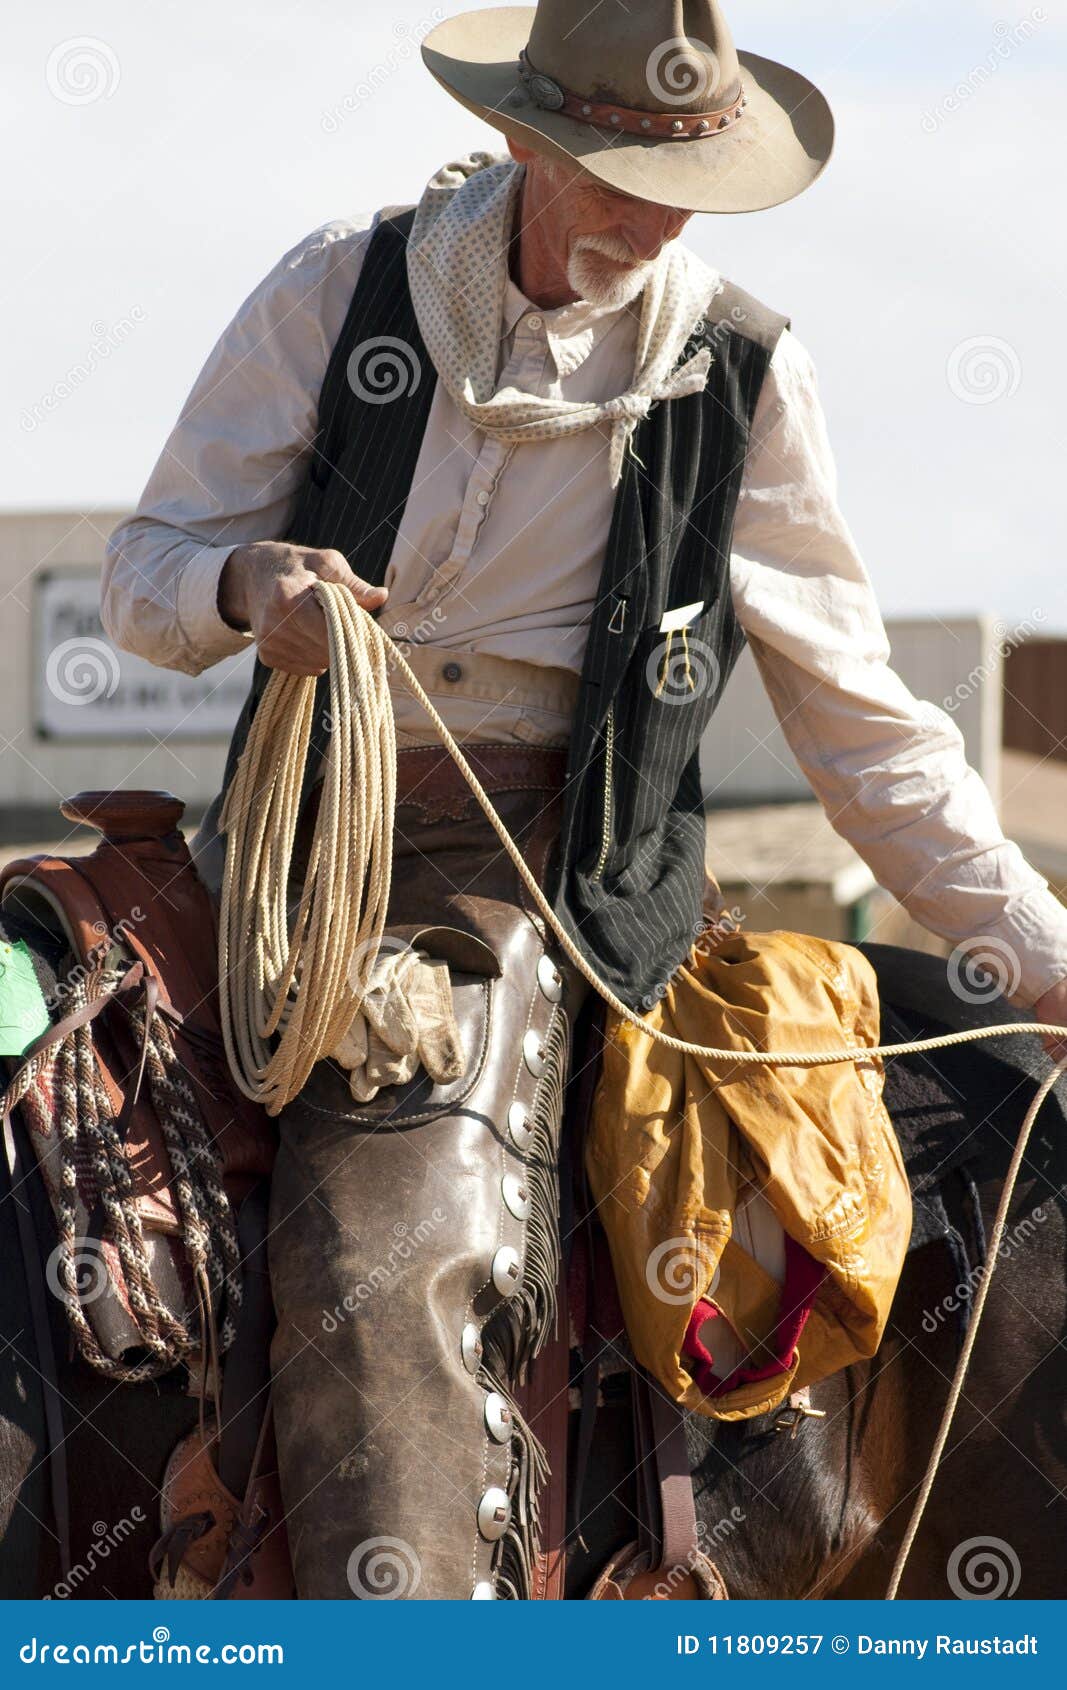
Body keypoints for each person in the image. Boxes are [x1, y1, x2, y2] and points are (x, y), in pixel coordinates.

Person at [103, 1, 1067, 1599]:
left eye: (693, 186)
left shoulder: (742, 375)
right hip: (299, 853)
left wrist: (1041, 957)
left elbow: (863, 725)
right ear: (520, 137)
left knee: (390, 1258)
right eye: (624, 179)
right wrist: (241, 586)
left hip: (545, 882)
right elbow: (144, 574)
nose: (662, 222)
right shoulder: (338, 290)